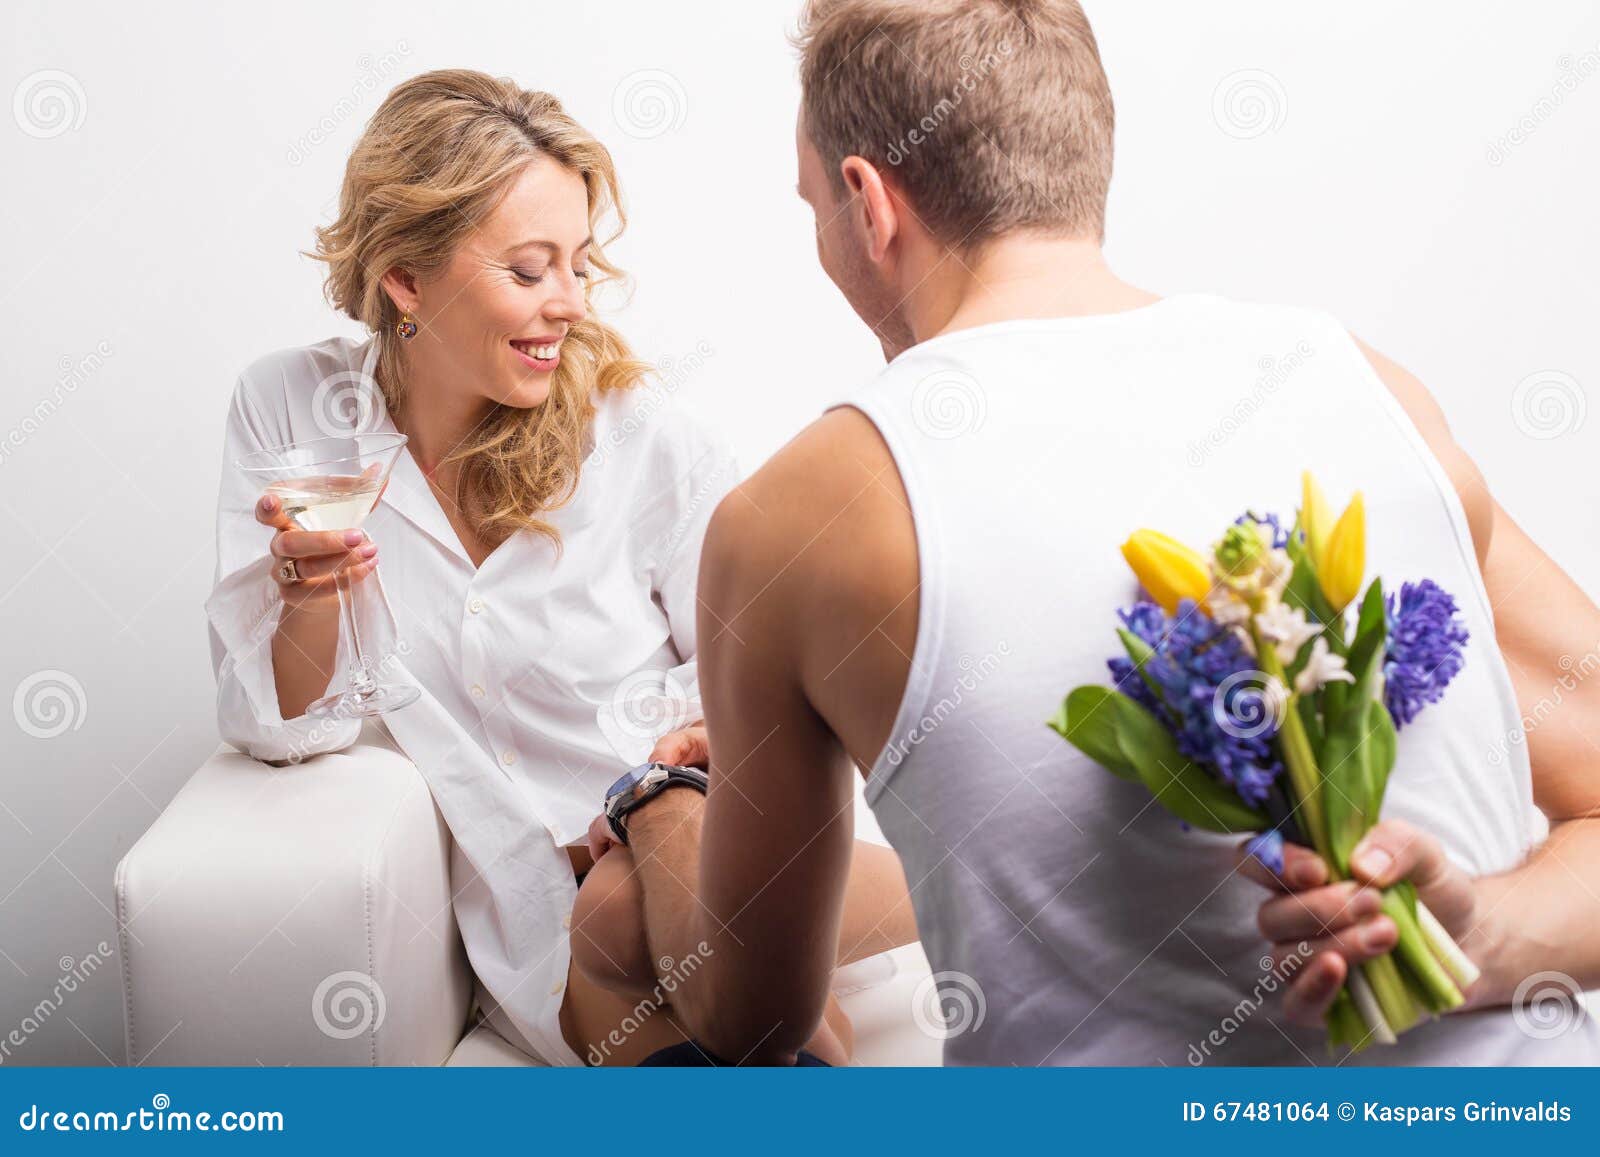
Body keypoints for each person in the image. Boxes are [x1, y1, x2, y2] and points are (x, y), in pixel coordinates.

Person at [591, 0, 1600, 1065]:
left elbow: (754, 1023)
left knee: (609, 940)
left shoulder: (793, 516)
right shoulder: (1363, 384)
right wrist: (1477, 934)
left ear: (868, 203)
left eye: (813, 208)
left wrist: (663, 807)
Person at [207, 68, 915, 1067]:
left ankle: (660, 818)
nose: (571, 306)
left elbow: (779, 672)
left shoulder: (637, 434)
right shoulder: (296, 411)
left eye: (579, 265)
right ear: (405, 277)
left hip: (726, 849)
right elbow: (274, 724)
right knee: (627, 916)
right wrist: (308, 595)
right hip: (553, 912)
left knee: (662, 837)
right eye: (531, 270)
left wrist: (703, 748)